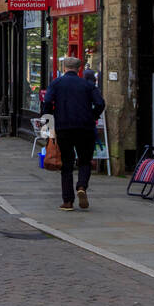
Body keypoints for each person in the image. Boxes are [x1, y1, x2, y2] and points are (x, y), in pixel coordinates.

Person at [41, 55, 106, 211]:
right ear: (79, 69)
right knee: (85, 160)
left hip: (63, 128)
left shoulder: (56, 83)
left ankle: (68, 201)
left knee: (67, 164)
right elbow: (100, 103)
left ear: (64, 68)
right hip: (85, 128)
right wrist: (93, 116)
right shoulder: (87, 85)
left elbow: (48, 102)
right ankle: (81, 186)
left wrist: (48, 126)